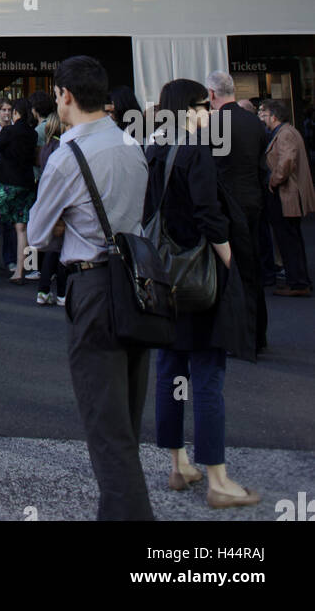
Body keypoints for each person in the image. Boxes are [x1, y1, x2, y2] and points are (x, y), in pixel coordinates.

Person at [27, 55, 154, 521]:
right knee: (125, 418)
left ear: (66, 96)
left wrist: (65, 221)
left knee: (106, 425)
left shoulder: (67, 156)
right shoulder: (130, 143)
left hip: (93, 285)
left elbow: (38, 232)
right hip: (136, 285)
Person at [144, 78, 259, 509]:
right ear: (190, 109)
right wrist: (232, 265)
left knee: (172, 371)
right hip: (198, 276)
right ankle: (218, 479)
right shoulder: (197, 152)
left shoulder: (152, 150)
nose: (210, 113)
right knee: (209, 376)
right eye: (203, 106)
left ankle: (178, 464)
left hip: (164, 276)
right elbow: (210, 217)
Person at [206, 70, 268, 350]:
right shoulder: (254, 123)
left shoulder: (214, 125)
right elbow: (260, 165)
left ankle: (239, 336)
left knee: (229, 271)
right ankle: (257, 333)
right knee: (252, 265)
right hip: (253, 201)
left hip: (227, 206)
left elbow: (211, 169)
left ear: (211, 95)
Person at [0, 98, 37, 285]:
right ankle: (19, 271)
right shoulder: (33, 134)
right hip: (26, 182)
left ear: (16, 113)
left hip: (5, 182)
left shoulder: (9, 131)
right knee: (21, 226)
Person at [259, 99, 315, 296]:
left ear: (274, 116)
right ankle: (298, 280)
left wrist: (273, 181)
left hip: (286, 195)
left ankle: (298, 283)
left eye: (264, 114)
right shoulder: (285, 132)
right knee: (290, 239)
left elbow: (287, 161)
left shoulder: (285, 133)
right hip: (286, 194)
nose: (261, 117)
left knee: (288, 239)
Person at [35, 110, 67, 305]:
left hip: (46, 197)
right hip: (59, 199)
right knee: (62, 249)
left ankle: (43, 290)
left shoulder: (46, 147)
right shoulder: (61, 148)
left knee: (50, 248)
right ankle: (62, 293)